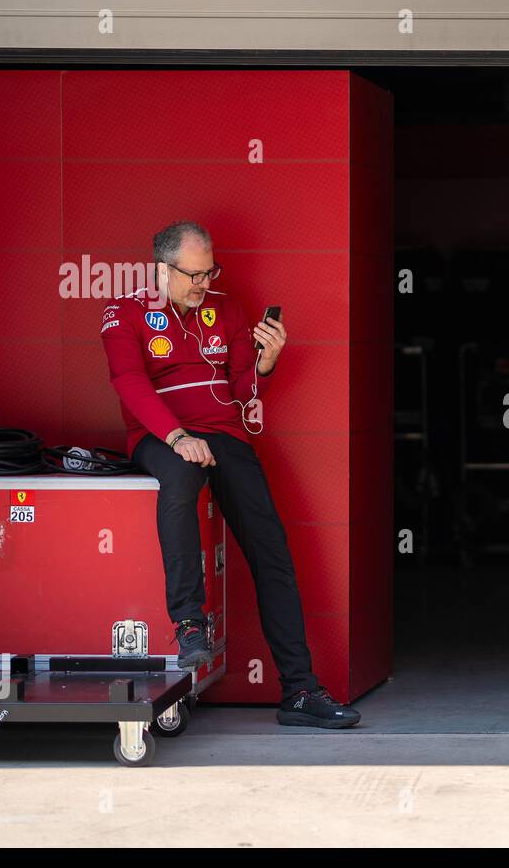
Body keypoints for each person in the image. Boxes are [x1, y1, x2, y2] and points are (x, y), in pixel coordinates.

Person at [100, 220, 359, 729]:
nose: (203, 284)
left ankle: (300, 691)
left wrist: (267, 361)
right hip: (162, 437)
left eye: (208, 273)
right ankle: (190, 622)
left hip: (225, 436)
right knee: (177, 481)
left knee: (272, 551)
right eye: (193, 275)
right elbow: (128, 381)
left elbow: (241, 388)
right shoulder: (123, 311)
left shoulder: (228, 310)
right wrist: (177, 437)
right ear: (162, 268)